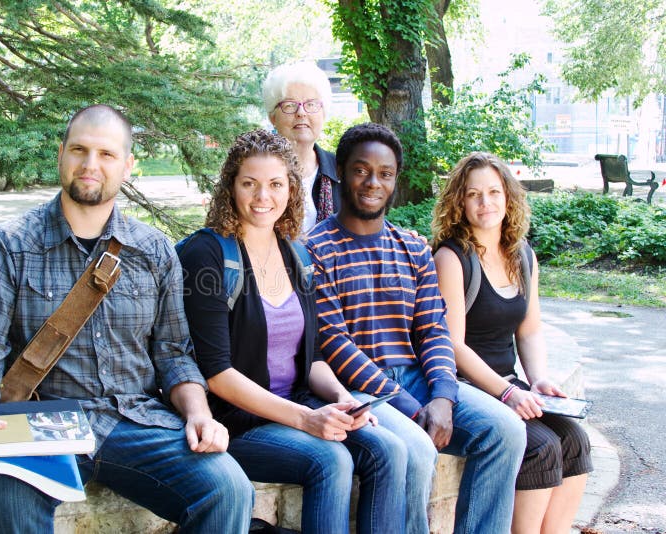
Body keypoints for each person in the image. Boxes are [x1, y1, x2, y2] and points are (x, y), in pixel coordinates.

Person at [0, 104, 254, 533]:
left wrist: (199, 414)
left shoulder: (154, 250)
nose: (90, 165)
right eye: (79, 150)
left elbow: (174, 352)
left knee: (228, 488)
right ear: (61, 154)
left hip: (135, 420)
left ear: (128, 165)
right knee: (10, 498)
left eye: (106, 155)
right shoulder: (11, 246)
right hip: (40, 424)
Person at [179, 129, 409, 534]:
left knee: (388, 449)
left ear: (291, 189)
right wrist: (306, 420)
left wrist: (342, 399)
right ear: (231, 186)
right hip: (239, 421)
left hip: (301, 403)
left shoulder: (297, 253)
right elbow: (216, 373)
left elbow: (313, 356)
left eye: (275, 184)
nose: (262, 196)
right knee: (330, 459)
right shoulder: (209, 253)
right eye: (249, 183)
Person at [306, 123, 527, 534]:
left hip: (418, 379)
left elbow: (433, 331)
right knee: (416, 447)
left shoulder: (412, 247)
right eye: (361, 170)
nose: (373, 182)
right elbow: (335, 344)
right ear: (341, 173)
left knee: (507, 430)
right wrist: (410, 407)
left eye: (385, 173)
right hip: (358, 390)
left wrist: (442, 395)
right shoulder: (315, 250)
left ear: (395, 180)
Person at [431, 152, 592, 534]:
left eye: (493, 192)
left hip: (509, 384)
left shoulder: (523, 256)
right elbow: (453, 345)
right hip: (468, 388)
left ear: (508, 196)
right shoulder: (452, 258)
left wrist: (537, 381)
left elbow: (529, 330)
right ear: (460, 202)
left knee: (574, 441)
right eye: (473, 194)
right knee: (540, 447)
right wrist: (507, 394)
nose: (485, 203)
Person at [263, 61, 340, 232]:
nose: (301, 112)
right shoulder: (257, 171)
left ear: (323, 113)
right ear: (272, 117)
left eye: (311, 104)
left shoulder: (342, 170)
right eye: (289, 105)